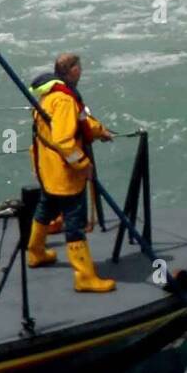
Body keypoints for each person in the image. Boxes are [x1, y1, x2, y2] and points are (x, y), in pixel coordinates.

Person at [28, 53, 116, 292]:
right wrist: (83, 164)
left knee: (45, 209)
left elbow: (82, 122)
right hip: (66, 173)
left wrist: (101, 131)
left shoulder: (49, 96)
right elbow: (65, 141)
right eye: (80, 67)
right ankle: (84, 276)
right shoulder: (65, 101)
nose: (82, 71)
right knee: (75, 222)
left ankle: (35, 252)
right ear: (74, 71)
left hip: (47, 168)